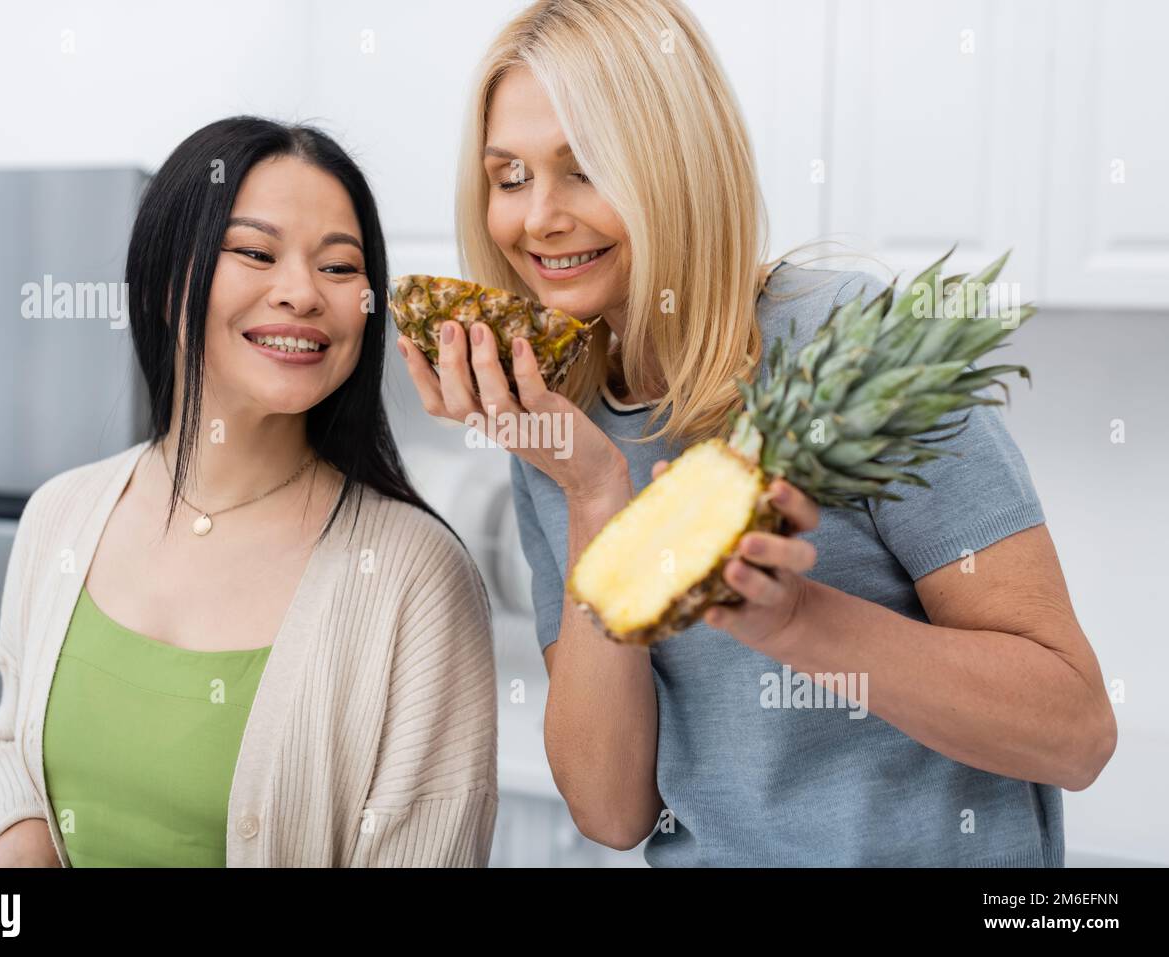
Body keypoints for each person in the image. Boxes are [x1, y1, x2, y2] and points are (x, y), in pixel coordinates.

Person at [398, 0, 1115, 866]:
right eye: (509, 176)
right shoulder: (556, 421)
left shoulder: (848, 346)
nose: (538, 217)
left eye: (583, 167)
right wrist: (592, 493)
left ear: (676, 164)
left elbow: (1075, 731)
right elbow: (612, 807)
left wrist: (793, 619)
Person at [0, 117, 497, 867]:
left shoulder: (416, 578)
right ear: (161, 285)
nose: (301, 293)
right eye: (255, 252)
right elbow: (12, 758)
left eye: (341, 268)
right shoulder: (60, 515)